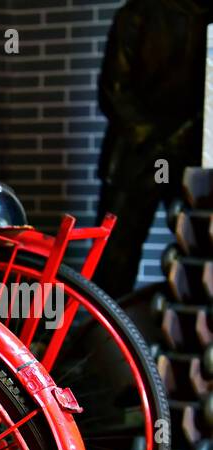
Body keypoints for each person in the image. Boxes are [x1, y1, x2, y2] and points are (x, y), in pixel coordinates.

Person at [97, 0, 213, 298]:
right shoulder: (136, 14)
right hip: (136, 154)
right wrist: (163, 139)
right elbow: (113, 91)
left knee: (199, 250)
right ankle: (108, 335)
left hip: (186, 154)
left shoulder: (203, 16)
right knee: (115, 258)